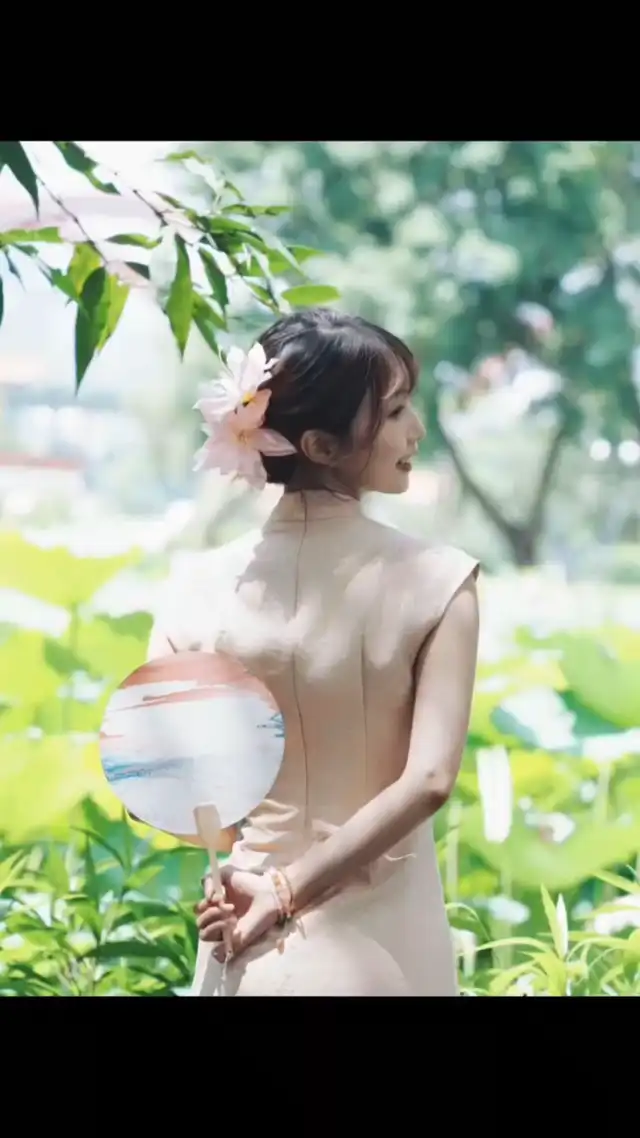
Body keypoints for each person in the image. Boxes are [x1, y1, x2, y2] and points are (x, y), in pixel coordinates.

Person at [147, 307, 480, 996]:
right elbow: (428, 780)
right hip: (386, 946)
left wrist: (257, 874)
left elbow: (169, 796)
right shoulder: (439, 580)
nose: (416, 429)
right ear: (322, 445)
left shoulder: (192, 587)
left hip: (243, 937)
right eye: (395, 412)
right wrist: (286, 890)